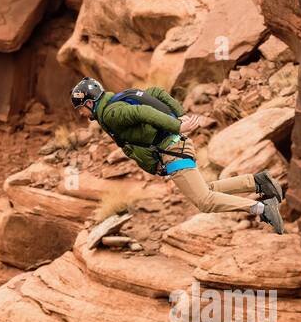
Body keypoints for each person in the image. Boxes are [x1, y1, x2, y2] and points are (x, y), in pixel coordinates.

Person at [71, 78, 286, 234]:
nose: (81, 113)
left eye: (80, 108)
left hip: (171, 150)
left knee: (204, 201)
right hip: (176, 145)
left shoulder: (110, 114)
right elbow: (155, 93)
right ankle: (258, 182)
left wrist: (178, 125)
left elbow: (141, 112)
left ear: (90, 102)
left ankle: (262, 209)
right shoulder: (120, 98)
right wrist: (181, 114)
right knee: (205, 191)